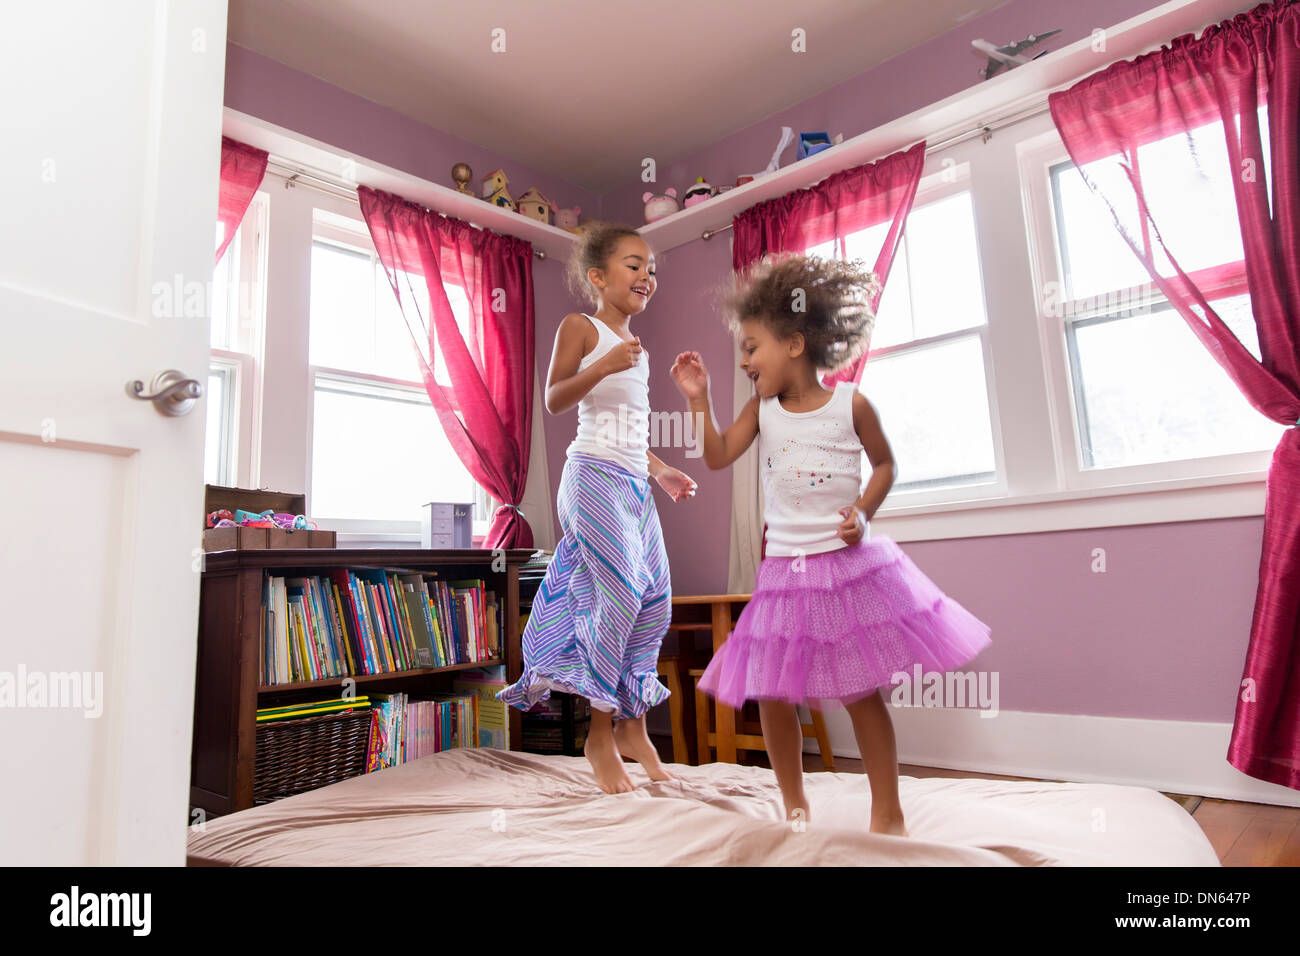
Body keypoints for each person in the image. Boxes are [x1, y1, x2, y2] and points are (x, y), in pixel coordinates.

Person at [669, 252, 991, 834]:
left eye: (751, 346)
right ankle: (794, 804)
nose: (743, 359)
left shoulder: (852, 404)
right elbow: (715, 456)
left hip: (845, 568)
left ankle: (887, 809)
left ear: (794, 343)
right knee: (771, 693)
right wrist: (697, 399)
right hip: (783, 573)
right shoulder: (762, 411)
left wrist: (862, 515)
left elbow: (887, 464)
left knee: (858, 690)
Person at [498, 222, 698, 795]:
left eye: (652, 267)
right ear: (597, 276)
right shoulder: (580, 327)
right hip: (590, 478)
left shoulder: (639, 349)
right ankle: (599, 733)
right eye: (633, 264)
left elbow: (630, 429)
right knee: (621, 593)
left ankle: (634, 726)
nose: (646, 275)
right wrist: (602, 367)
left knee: (655, 599)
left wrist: (662, 471)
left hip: (634, 482)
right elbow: (556, 399)